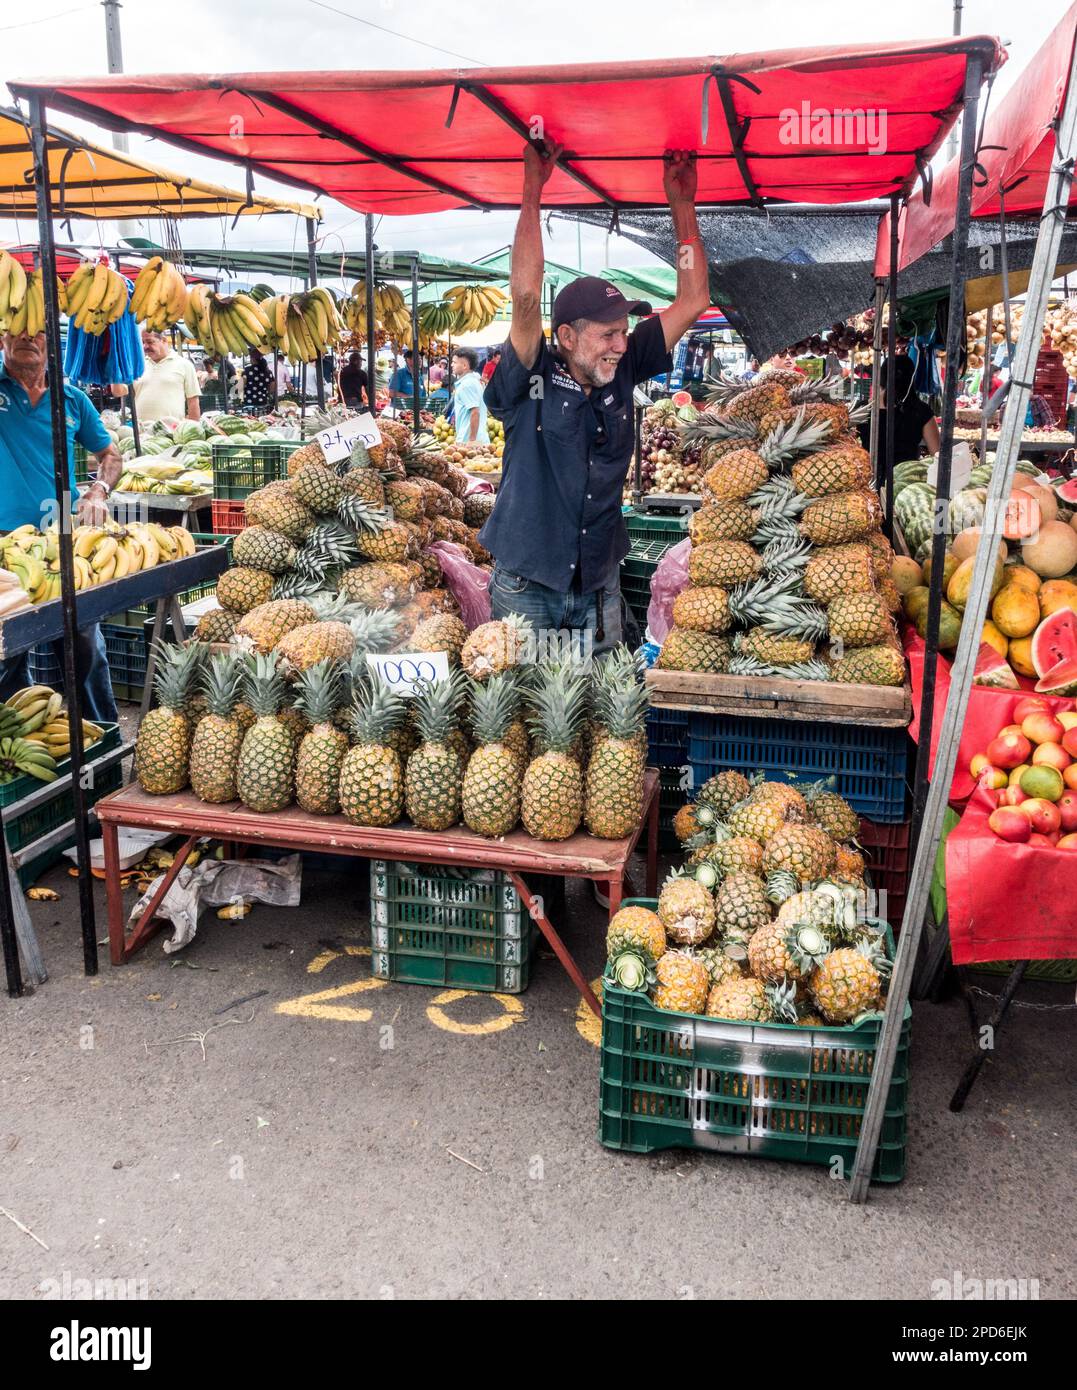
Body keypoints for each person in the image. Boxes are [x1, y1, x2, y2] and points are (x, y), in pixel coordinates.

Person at [481, 144, 708, 655]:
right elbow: (523, 296)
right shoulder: (529, 374)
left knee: (602, 719)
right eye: (607, 335)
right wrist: (533, 190)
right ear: (566, 335)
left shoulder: (622, 366)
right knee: (530, 719)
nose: (621, 345)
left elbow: (693, 301)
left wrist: (682, 205)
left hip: (598, 581)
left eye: (624, 332)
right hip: (527, 586)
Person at [0, 329, 121, 722]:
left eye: (36, 332)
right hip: (3, 544)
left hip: (61, 537)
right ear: (1, 339)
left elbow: (111, 455)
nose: (26, 339)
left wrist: (98, 491)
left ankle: (101, 740)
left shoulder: (72, 399)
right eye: (14, 331)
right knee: (8, 652)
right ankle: (18, 744)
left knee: (83, 644)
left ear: (50, 341)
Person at [858, 354, 940, 458]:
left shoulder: (862, 408)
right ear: (911, 379)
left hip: (867, 472)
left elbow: (845, 444)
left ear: (881, 377)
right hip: (907, 473)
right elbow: (937, 455)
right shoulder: (922, 411)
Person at [135, 330, 200, 423]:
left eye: (150, 342)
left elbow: (193, 400)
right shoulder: (139, 365)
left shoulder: (184, 364)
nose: (145, 346)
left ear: (164, 340)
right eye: (143, 342)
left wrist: (194, 427)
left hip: (171, 431)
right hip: (141, 431)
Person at [452, 348, 489, 444]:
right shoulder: (472, 380)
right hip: (472, 439)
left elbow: (475, 412)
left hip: (469, 442)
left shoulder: (467, 385)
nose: (452, 365)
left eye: (455, 362)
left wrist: (472, 440)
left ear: (464, 366)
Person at [243, 347, 273, 415]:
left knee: (250, 422)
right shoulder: (268, 372)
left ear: (253, 359)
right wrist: (265, 392)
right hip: (263, 403)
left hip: (249, 403)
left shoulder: (247, 371)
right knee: (262, 422)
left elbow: (241, 386)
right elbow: (272, 388)